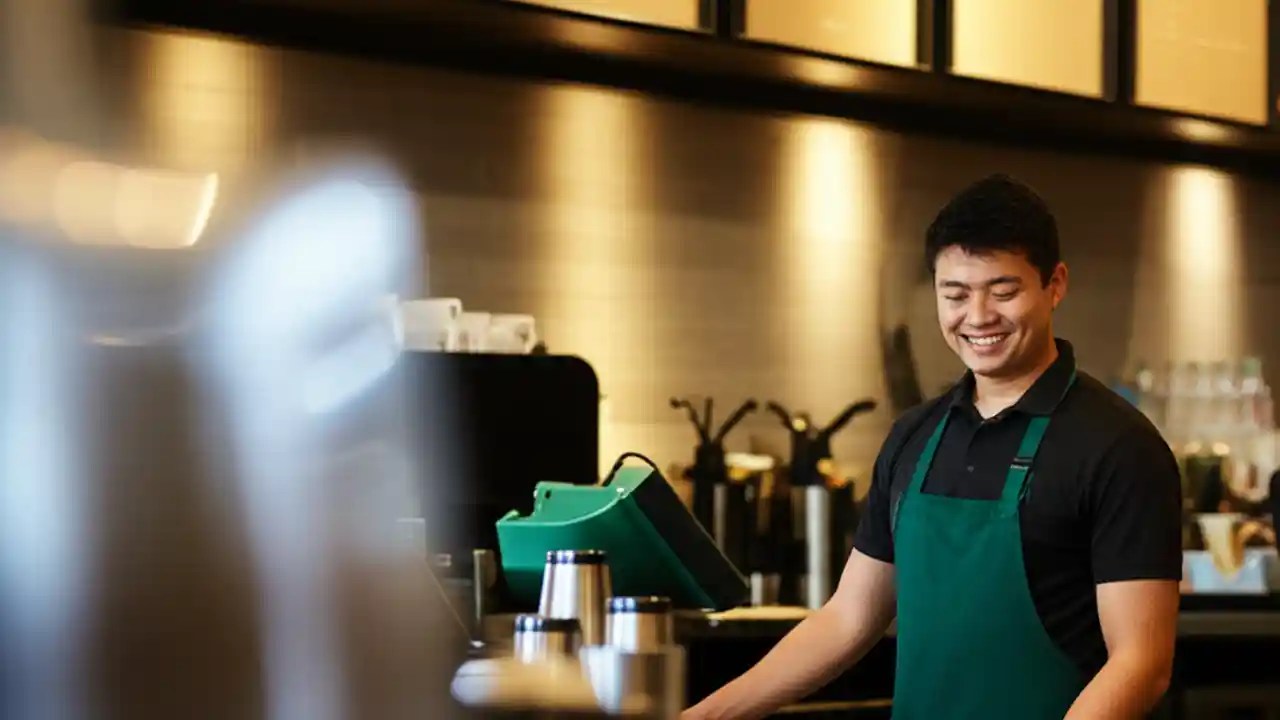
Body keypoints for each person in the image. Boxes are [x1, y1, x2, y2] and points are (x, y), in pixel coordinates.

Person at [683, 175, 1182, 719]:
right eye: (956, 294)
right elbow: (848, 618)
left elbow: (1141, 663)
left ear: (1055, 284)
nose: (978, 316)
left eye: (1004, 291)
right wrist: (706, 715)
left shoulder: (1119, 446)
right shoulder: (914, 437)